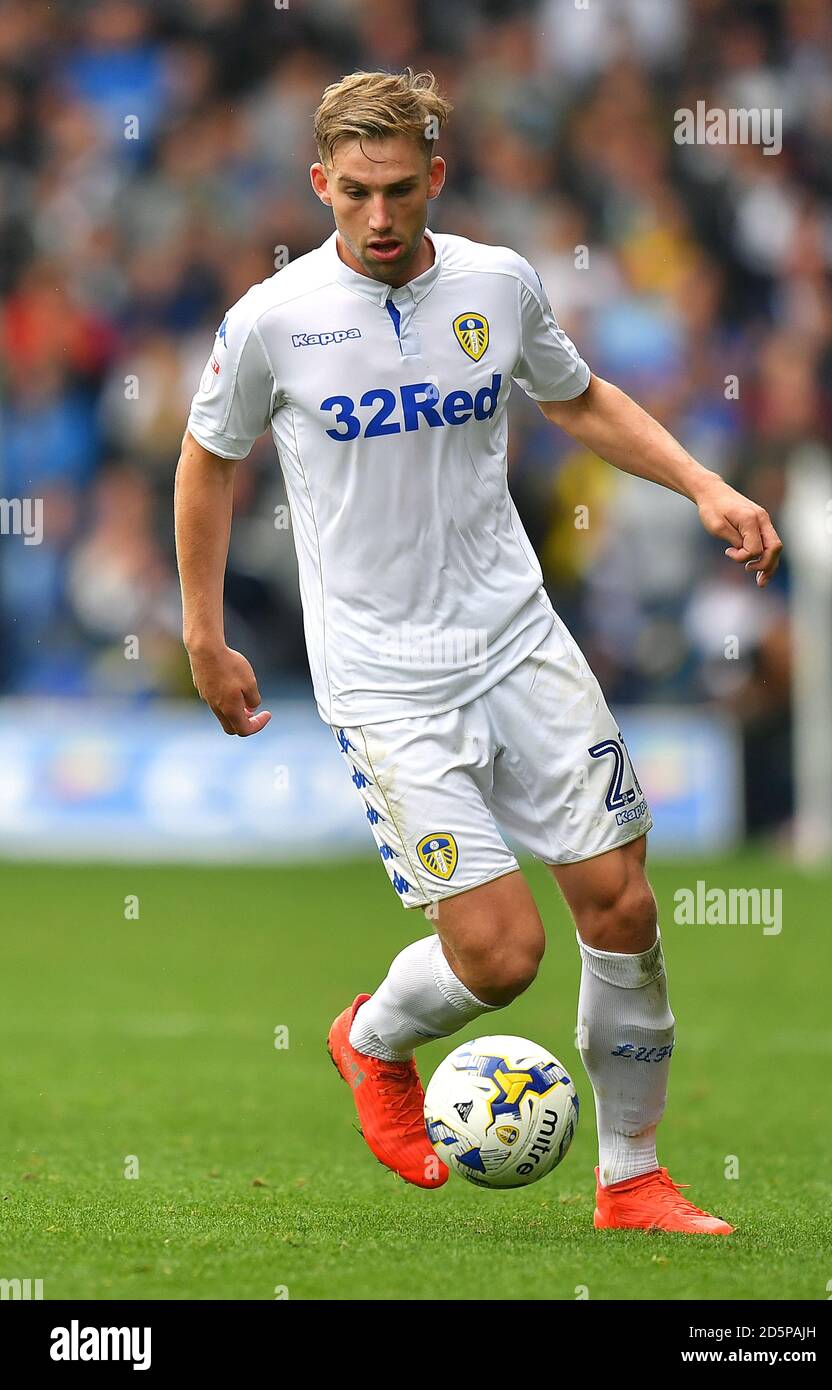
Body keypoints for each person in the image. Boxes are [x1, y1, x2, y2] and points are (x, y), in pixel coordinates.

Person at [174, 68, 782, 1234]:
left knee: (619, 907)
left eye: (401, 189)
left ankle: (631, 1180)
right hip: (387, 682)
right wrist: (203, 633)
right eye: (354, 193)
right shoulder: (271, 321)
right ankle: (371, 1036)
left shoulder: (496, 286)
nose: (380, 217)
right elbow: (208, 462)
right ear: (320, 184)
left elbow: (579, 396)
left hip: (518, 639)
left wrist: (704, 484)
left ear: (436, 178)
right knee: (501, 954)